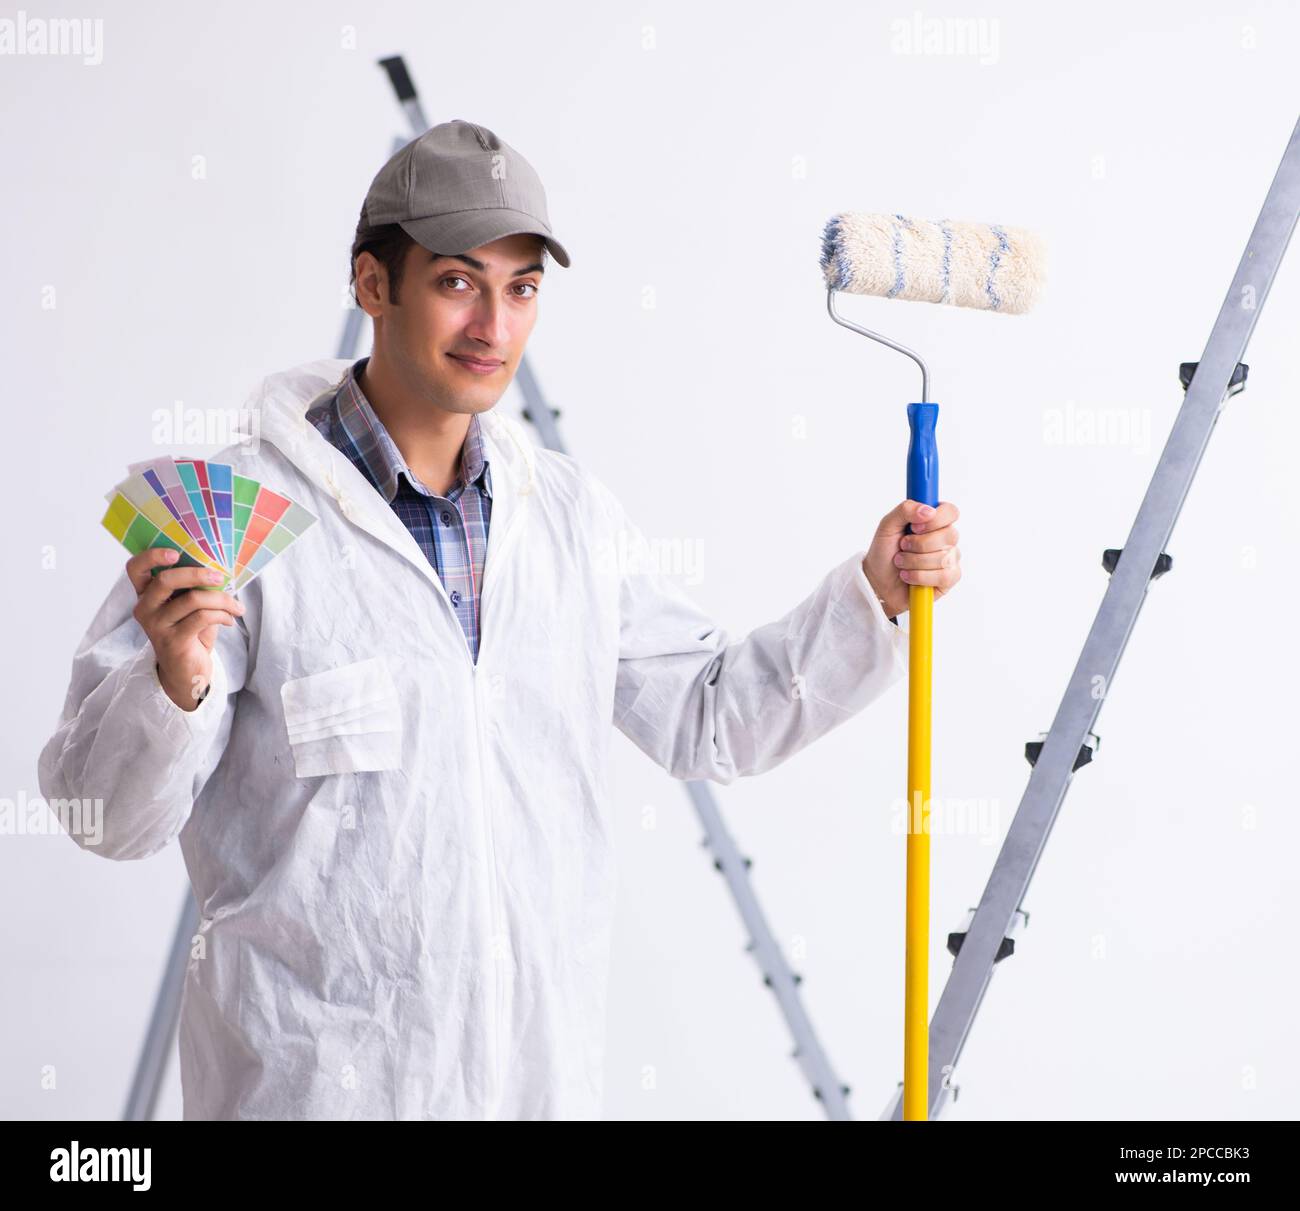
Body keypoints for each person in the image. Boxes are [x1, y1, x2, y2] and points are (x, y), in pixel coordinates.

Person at [38, 119, 961, 1120]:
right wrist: (169, 684)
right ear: (372, 283)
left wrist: (871, 590)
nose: (492, 325)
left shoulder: (565, 518)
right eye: (456, 281)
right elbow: (108, 817)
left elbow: (711, 716)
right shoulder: (237, 524)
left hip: (533, 1089)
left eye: (520, 287)